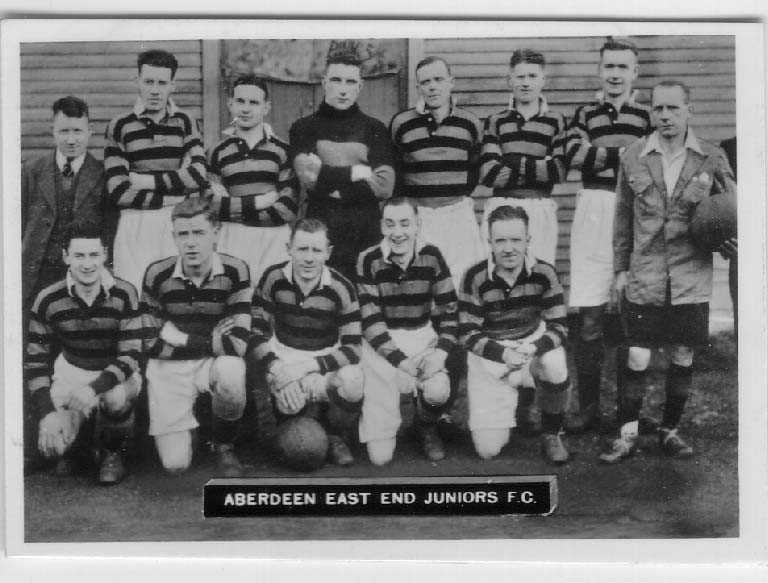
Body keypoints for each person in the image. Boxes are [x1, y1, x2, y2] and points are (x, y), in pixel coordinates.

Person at [602, 80, 737, 463]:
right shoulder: (633, 156)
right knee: (637, 357)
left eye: (673, 108)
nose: (665, 116)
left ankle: (669, 431)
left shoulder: (711, 158)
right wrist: (620, 270)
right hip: (645, 273)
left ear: (689, 110)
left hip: (691, 277)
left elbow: (735, 210)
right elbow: (622, 220)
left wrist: (731, 241)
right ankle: (627, 434)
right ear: (651, 113)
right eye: (658, 109)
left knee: (682, 355)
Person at [477, 49, 570, 434]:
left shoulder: (555, 120)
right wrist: (536, 166)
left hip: (541, 210)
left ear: (542, 80)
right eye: (519, 75)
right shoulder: (495, 120)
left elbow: (560, 169)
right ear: (509, 79)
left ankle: (533, 398)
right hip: (501, 209)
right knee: (502, 288)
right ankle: (504, 389)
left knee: (535, 291)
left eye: (533, 75)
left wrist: (512, 163)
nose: (526, 82)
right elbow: (488, 173)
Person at [564, 37, 652, 433]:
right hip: (592, 210)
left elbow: (650, 165)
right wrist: (627, 155)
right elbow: (573, 155)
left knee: (632, 316)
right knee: (590, 316)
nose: (615, 74)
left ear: (635, 72)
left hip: (633, 211)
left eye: (623, 67)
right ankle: (587, 409)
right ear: (600, 70)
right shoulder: (585, 112)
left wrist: (602, 154)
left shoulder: (648, 116)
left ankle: (628, 411)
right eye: (609, 66)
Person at [141, 198, 252, 476]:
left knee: (231, 370)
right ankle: (191, 427)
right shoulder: (157, 274)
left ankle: (224, 444)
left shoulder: (236, 270)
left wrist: (178, 337)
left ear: (216, 232)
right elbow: (150, 343)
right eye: (183, 234)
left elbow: (237, 344)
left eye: (199, 233)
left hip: (207, 362)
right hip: (170, 368)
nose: (191, 243)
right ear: (174, 237)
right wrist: (205, 343)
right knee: (175, 465)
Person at [25, 224, 142, 484]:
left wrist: (93, 389)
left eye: (93, 255)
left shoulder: (125, 293)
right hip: (72, 371)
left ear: (104, 255)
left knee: (113, 397)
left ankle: (113, 452)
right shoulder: (47, 299)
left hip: (115, 374)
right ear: (66, 256)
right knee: (55, 446)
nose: (87, 264)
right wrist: (47, 412)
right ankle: (80, 443)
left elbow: (131, 355)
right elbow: (35, 361)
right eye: (79, 256)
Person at [247, 218, 364, 467]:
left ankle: (336, 435)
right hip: (284, 360)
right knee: (294, 425)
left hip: (320, 364)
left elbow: (353, 349)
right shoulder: (273, 277)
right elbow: (255, 332)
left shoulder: (342, 287)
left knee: (353, 380)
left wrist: (307, 367)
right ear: (289, 248)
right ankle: (285, 425)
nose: (309, 258)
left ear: (328, 253)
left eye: (316, 250)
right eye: (302, 249)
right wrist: (277, 370)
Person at [459, 205, 570, 464]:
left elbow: (560, 326)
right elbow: (467, 334)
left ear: (528, 240)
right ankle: (518, 404)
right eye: (500, 240)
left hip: (530, 348)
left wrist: (533, 348)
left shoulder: (544, 272)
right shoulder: (474, 276)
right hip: (493, 354)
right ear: (489, 242)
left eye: (516, 239)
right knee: (488, 450)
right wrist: (503, 354)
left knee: (554, 363)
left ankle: (551, 433)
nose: (508, 248)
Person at [357, 198, 458, 465]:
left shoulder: (432, 255)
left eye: (405, 223)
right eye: (390, 224)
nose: (398, 232)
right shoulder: (368, 259)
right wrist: (399, 360)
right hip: (382, 343)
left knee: (437, 391)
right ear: (381, 226)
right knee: (380, 457)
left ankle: (424, 426)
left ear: (417, 225)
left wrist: (439, 354)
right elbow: (370, 321)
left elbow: (451, 311)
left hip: (421, 335)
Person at [105, 49, 208, 292]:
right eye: (148, 82)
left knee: (175, 293)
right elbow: (119, 191)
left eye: (162, 83)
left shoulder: (185, 121)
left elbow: (197, 175)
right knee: (133, 293)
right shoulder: (120, 125)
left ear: (172, 85)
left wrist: (143, 181)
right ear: (137, 81)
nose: (154, 90)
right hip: (134, 222)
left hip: (175, 223)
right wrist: (175, 196)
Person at [289, 48, 395, 281]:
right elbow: (307, 178)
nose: (343, 89)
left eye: (350, 81)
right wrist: (358, 172)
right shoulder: (303, 128)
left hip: (364, 231)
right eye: (336, 80)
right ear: (324, 83)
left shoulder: (374, 128)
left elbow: (385, 186)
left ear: (360, 86)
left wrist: (325, 174)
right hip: (320, 233)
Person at [389, 56, 485, 291]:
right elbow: (396, 170)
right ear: (419, 87)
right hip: (420, 216)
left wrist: (451, 192)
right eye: (425, 82)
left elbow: (474, 167)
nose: (432, 86)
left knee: (463, 278)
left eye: (438, 79)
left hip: (457, 214)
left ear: (451, 82)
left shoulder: (469, 123)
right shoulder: (402, 123)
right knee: (422, 281)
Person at [207, 75, 300, 285]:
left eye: (254, 102)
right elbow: (212, 206)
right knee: (236, 299)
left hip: (274, 239)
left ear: (266, 108)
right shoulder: (216, 152)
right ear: (230, 104)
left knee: (272, 298)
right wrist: (259, 202)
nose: (246, 109)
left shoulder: (282, 151)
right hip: (231, 238)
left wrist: (232, 207)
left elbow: (286, 209)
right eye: (240, 101)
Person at [22, 96, 106, 308]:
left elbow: (109, 232)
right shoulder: (31, 171)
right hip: (36, 277)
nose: (70, 140)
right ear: (53, 130)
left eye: (77, 131)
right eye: (63, 131)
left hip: (84, 278)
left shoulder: (102, 175)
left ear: (90, 130)